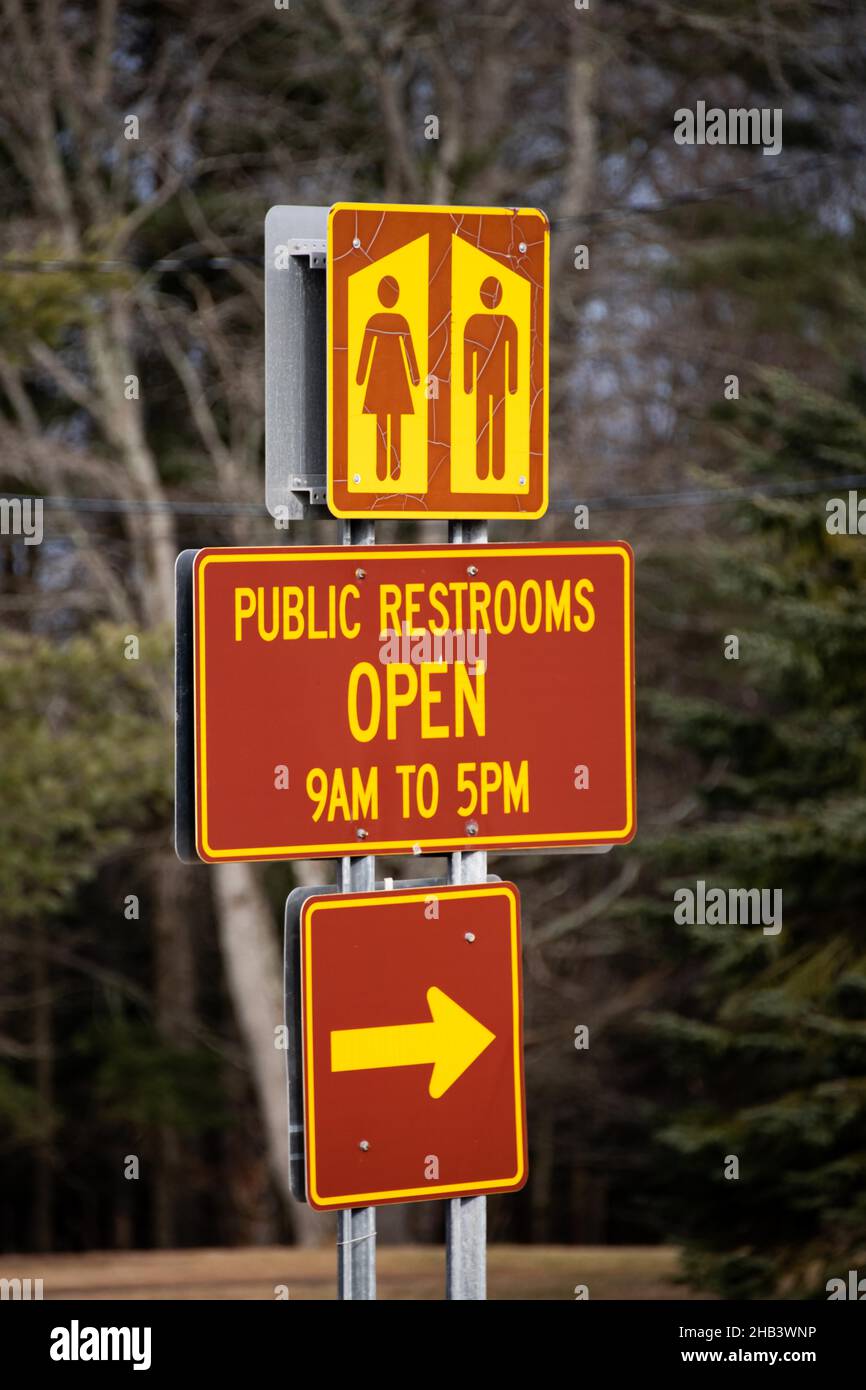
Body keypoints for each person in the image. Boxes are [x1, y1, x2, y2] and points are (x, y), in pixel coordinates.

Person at [355, 275, 420, 482]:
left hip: (386, 377)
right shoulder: (392, 320)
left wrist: (360, 376)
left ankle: (388, 468)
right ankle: (389, 468)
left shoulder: (383, 320)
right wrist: (415, 376)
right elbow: (367, 348)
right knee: (387, 424)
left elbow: (408, 348)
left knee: (383, 424)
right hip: (387, 377)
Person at [463, 276, 518, 480]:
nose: (490, 299)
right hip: (482, 384)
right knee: (482, 425)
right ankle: (480, 469)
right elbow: (467, 355)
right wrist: (467, 382)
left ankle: (499, 470)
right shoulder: (474, 321)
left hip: (497, 384)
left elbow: (513, 356)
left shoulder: (507, 323)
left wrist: (512, 385)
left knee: (497, 425)